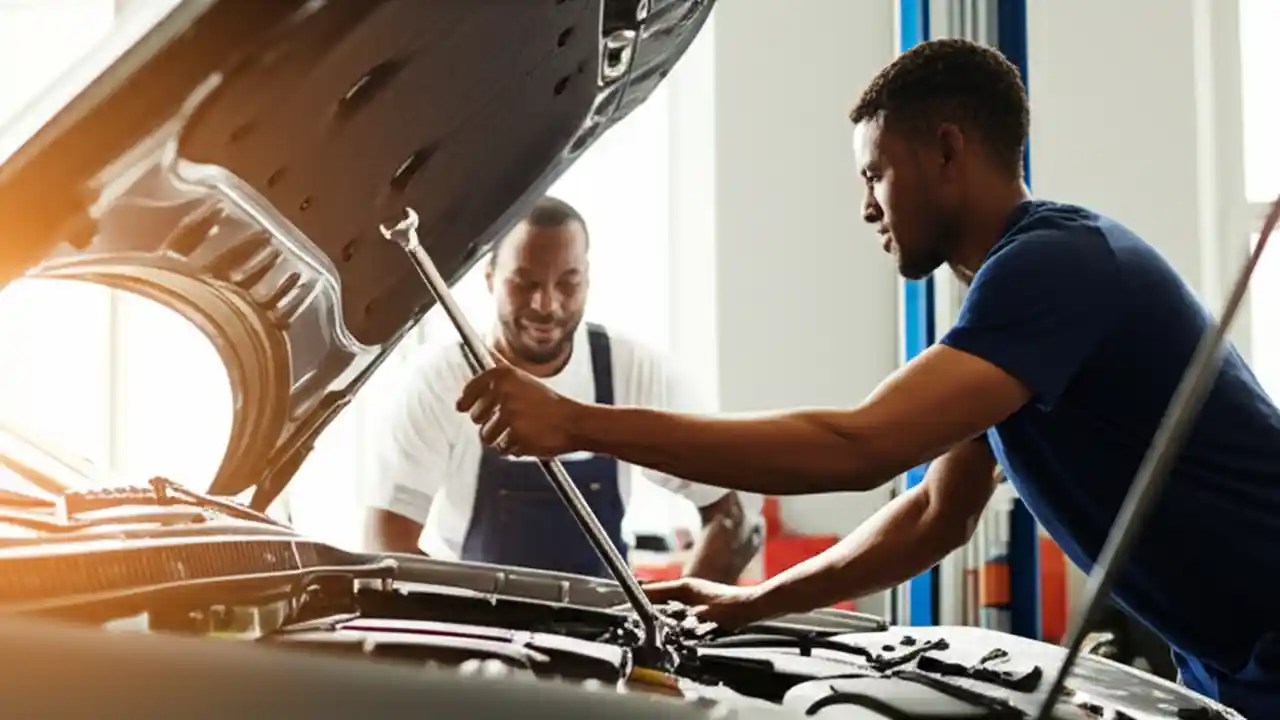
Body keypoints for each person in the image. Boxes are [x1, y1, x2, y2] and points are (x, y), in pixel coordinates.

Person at [454, 39, 1280, 716]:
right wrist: (752, 604)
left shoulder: (1057, 267)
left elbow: (861, 446)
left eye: (873, 174)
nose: (866, 208)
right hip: (1229, 659)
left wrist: (576, 422)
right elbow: (933, 513)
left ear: (947, 149)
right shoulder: (1015, 310)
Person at [363, 195, 761, 584]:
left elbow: (735, 514)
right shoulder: (439, 384)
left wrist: (673, 620)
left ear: (587, 279)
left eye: (568, 284)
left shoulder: (633, 369)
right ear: (490, 279)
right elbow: (385, 543)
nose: (546, 305)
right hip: (484, 633)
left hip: (608, 639)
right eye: (525, 283)